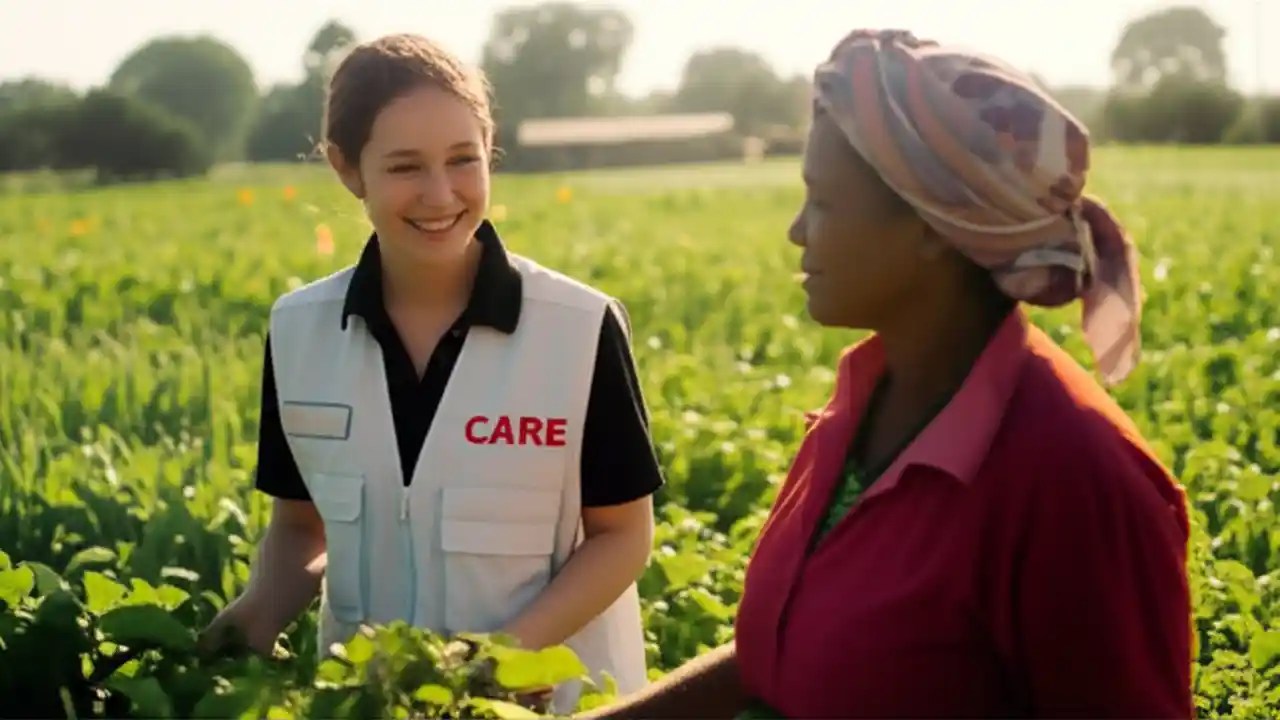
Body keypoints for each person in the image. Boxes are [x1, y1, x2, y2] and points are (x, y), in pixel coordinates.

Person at [579, 29, 1193, 719]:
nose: (797, 232)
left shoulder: (1075, 480)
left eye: (823, 202)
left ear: (935, 225)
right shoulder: (864, 407)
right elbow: (787, 657)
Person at [199, 33, 661, 712]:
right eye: (405, 166)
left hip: (551, 704)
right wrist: (256, 615)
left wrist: (498, 659)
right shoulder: (300, 331)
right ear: (347, 169)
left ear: (490, 151)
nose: (441, 194)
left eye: (462, 160)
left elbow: (623, 537)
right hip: (370, 702)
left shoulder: (577, 327)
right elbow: (302, 526)